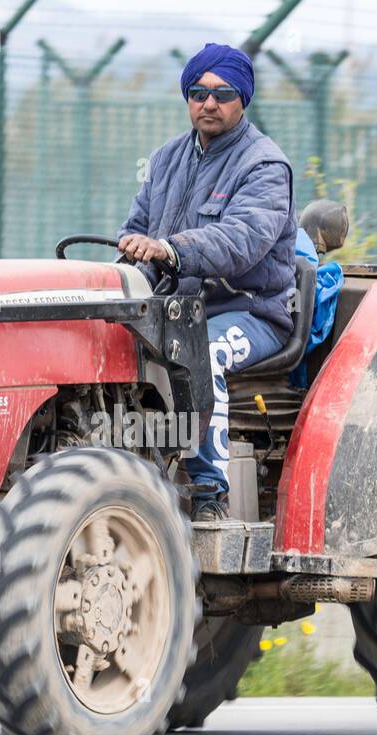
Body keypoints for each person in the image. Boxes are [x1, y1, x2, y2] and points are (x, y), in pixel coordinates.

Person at [117, 42, 297, 521]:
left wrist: (173, 249)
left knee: (203, 352)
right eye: (198, 92)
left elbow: (242, 240)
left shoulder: (264, 165)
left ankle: (207, 494)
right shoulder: (165, 161)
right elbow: (133, 230)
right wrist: (136, 251)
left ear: (244, 99)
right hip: (175, 310)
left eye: (223, 93)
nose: (209, 103)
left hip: (250, 312)